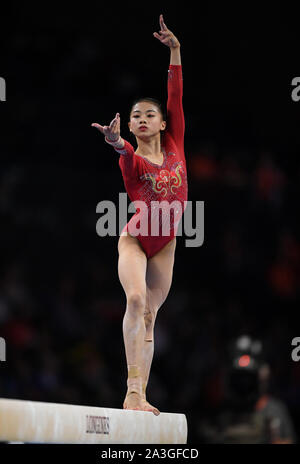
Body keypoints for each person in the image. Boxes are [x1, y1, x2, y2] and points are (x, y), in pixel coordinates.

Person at [91, 15, 188, 415]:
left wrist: (175, 51)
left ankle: (140, 395)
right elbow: (124, 154)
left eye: (150, 114)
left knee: (150, 316)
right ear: (129, 127)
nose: (144, 118)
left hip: (165, 245)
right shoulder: (130, 159)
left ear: (163, 123)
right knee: (134, 298)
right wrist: (115, 142)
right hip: (134, 238)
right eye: (136, 116)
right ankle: (132, 391)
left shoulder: (176, 141)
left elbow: (176, 96)